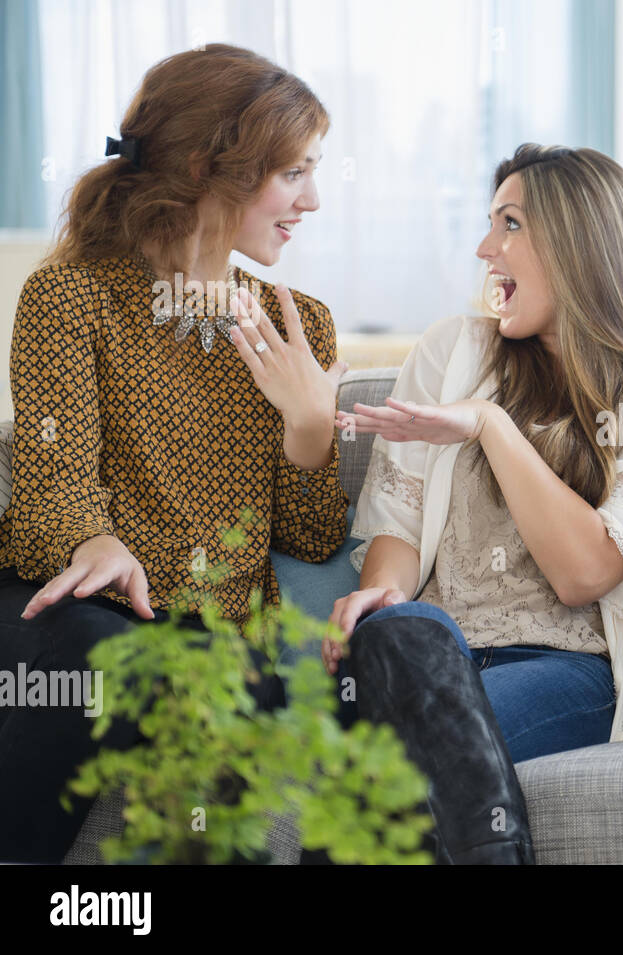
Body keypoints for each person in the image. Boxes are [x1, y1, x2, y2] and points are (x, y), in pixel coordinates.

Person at [324, 144, 623, 864]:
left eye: (509, 223)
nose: (485, 249)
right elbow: (399, 525)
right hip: (425, 650)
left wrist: (491, 424)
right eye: (489, 224)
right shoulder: (453, 350)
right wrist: (377, 598)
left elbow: (584, 572)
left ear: (579, 243)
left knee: (387, 762)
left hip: (563, 666)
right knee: (401, 631)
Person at [0, 44, 348, 863]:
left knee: (215, 675)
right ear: (206, 166)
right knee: (105, 647)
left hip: (213, 636)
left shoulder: (301, 325)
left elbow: (312, 539)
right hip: (64, 615)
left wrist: (307, 428)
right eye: (293, 174)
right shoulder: (70, 295)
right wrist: (96, 540)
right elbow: (54, 482)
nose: (314, 199)